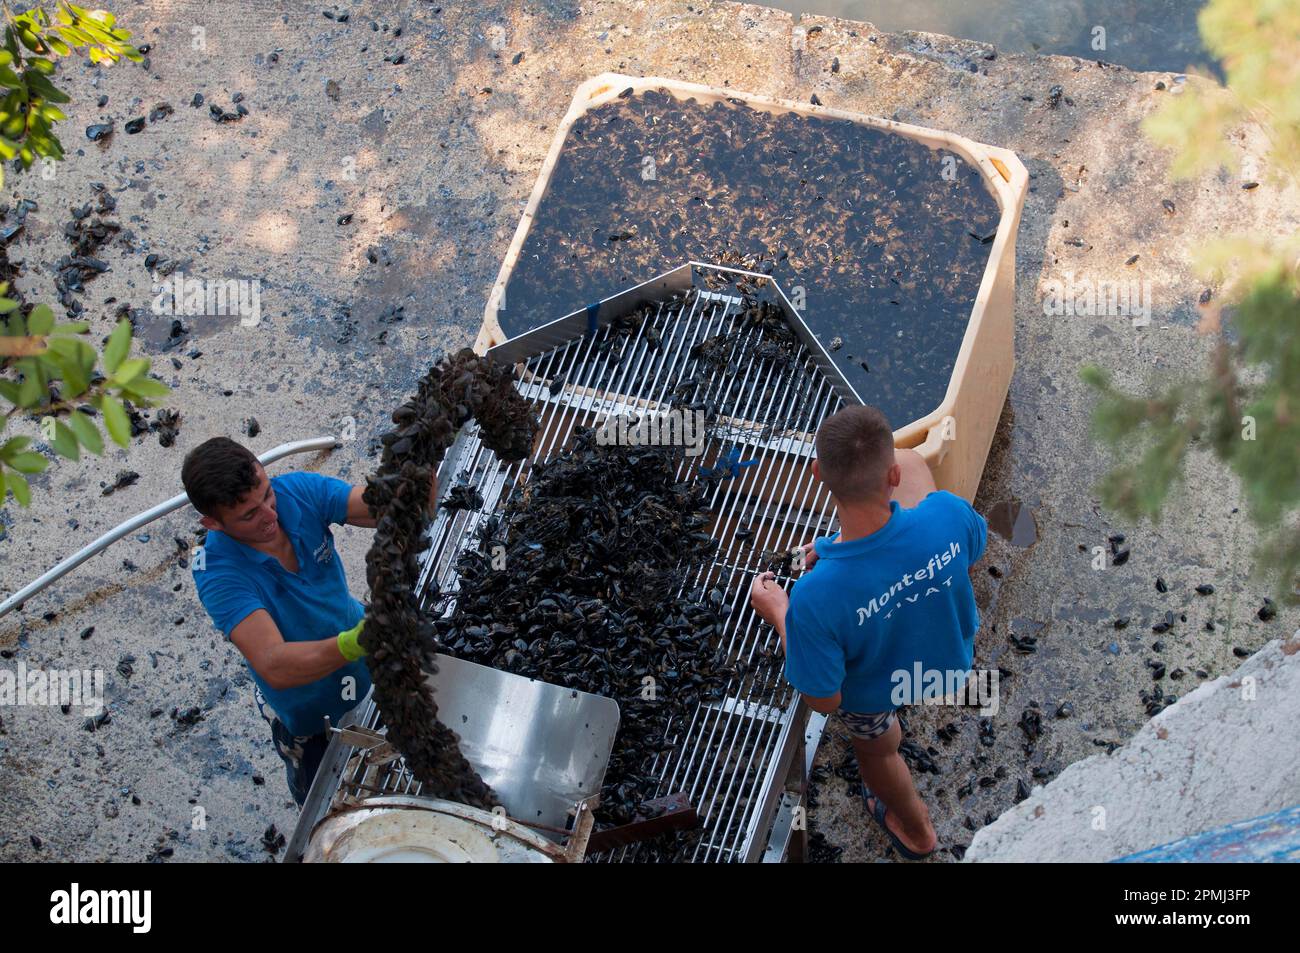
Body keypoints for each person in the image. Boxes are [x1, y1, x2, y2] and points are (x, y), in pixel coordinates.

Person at [749, 405, 986, 860]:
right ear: (892, 476)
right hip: (949, 663)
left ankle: (917, 832)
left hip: (874, 697)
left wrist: (779, 611)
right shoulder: (947, 516)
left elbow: (824, 698)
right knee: (922, 464)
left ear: (818, 472)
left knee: (878, 753)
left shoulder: (814, 599)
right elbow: (967, 551)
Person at [181, 437, 436, 805]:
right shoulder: (217, 574)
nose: (270, 515)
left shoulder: (297, 491)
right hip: (308, 715)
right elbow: (275, 664)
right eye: (249, 515)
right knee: (323, 803)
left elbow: (395, 510)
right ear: (213, 522)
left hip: (369, 669)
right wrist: (355, 642)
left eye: (267, 495)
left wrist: (423, 461)